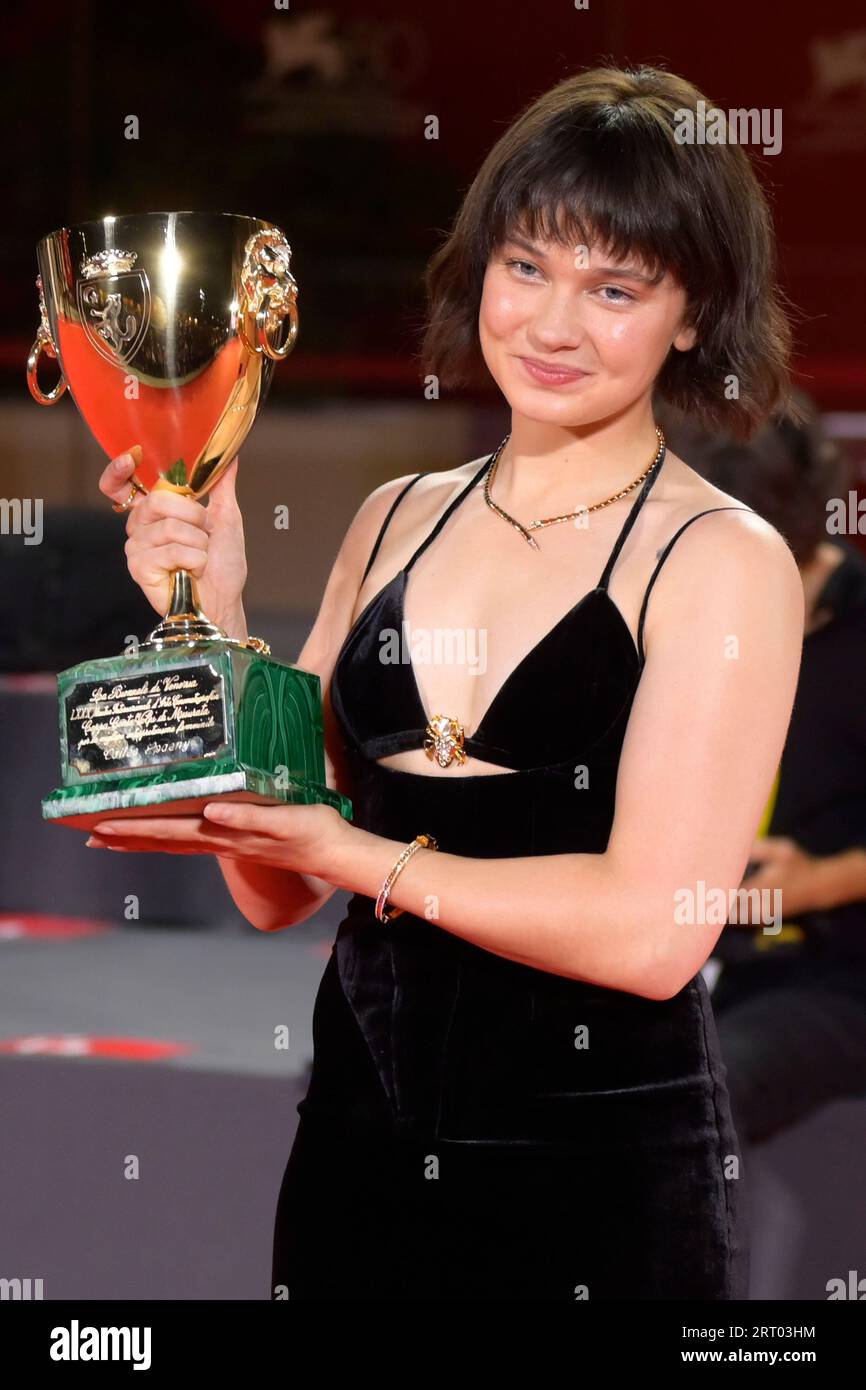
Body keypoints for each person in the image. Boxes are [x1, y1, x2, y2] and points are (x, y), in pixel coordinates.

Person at [89, 63, 805, 1300]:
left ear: (692, 314)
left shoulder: (717, 560)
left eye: (614, 287)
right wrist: (205, 627)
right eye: (524, 266)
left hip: (597, 1184)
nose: (551, 324)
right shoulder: (392, 520)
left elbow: (650, 934)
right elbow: (268, 890)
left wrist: (359, 855)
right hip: (354, 1158)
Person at [656, 397, 866, 1145]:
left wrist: (817, 883)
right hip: (659, 946)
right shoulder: (659, 617)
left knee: (697, 1092)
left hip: (830, 974)